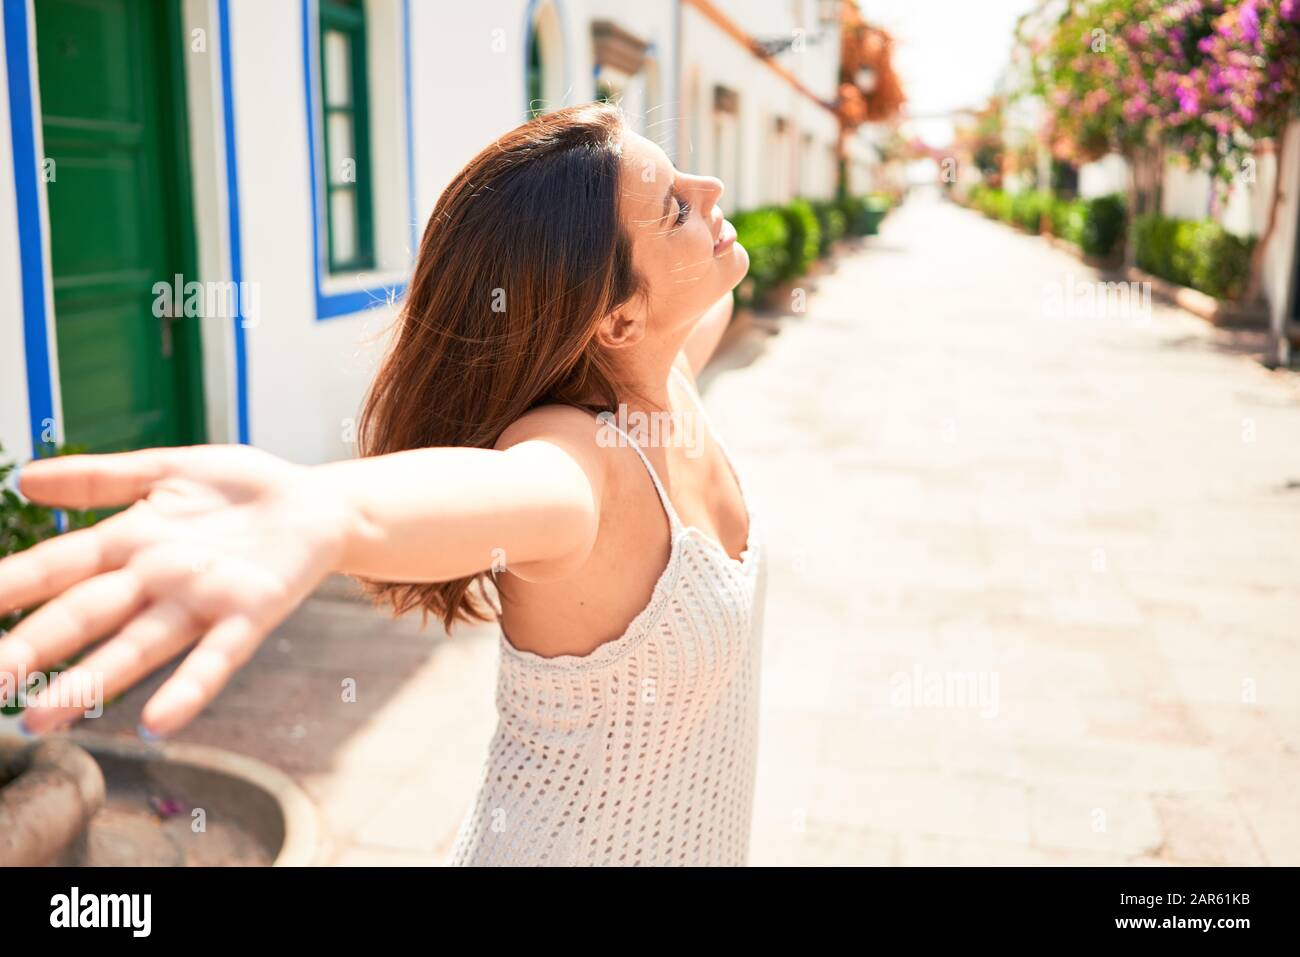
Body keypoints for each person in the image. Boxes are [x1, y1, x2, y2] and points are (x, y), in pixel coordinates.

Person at [0, 101, 767, 866]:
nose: (713, 189)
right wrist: (317, 508)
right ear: (619, 321)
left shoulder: (669, 375)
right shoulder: (579, 463)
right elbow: (505, 491)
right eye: (675, 206)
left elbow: (714, 294)